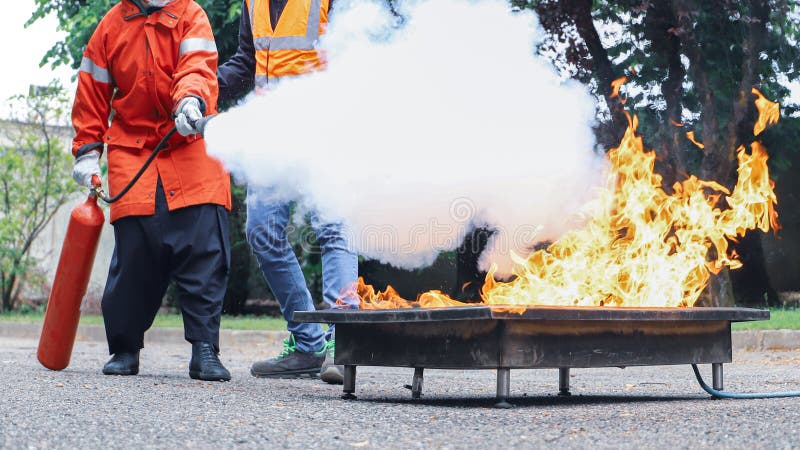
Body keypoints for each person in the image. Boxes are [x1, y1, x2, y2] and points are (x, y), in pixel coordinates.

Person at [71, 0, 232, 381]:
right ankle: (125, 349)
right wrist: (87, 151)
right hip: (132, 147)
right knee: (135, 253)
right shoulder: (111, 26)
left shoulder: (191, 15)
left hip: (189, 143)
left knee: (203, 248)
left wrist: (190, 99)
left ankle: (205, 350)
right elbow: (92, 91)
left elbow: (198, 68)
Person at [217, 0, 358, 384]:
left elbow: (359, 53)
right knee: (262, 232)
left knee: (334, 228)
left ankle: (345, 347)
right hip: (273, 131)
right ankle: (309, 345)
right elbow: (247, 61)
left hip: (326, 128)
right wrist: (203, 87)